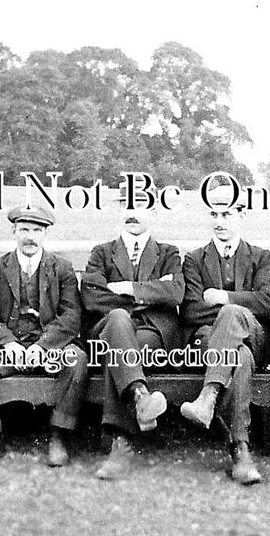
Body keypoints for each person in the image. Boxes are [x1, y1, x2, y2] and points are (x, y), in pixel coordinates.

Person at [0, 203, 88, 467]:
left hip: (49, 350)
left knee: (76, 358)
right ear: (14, 232)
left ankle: (58, 435)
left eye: (36, 230)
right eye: (24, 229)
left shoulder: (62, 269)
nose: (30, 236)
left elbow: (71, 316)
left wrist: (43, 345)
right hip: (9, 350)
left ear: (45, 234)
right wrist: (8, 343)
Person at [179, 183, 270, 485]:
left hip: (255, 335)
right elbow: (192, 311)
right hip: (209, 341)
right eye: (214, 214)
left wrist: (223, 298)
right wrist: (235, 310)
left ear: (241, 215)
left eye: (227, 213)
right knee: (240, 355)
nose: (220, 221)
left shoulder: (260, 256)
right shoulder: (195, 259)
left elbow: (269, 303)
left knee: (232, 313)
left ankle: (209, 396)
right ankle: (241, 449)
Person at [81, 191, 184, 480]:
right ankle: (140, 397)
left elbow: (175, 292)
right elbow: (91, 297)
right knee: (117, 321)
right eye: (127, 205)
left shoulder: (168, 252)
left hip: (153, 334)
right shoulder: (102, 252)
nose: (133, 212)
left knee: (121, 351)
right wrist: (149, 293)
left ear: (153, 210)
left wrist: (124, 287)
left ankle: (119, 442)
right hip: (110, 330)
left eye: (141, 206)